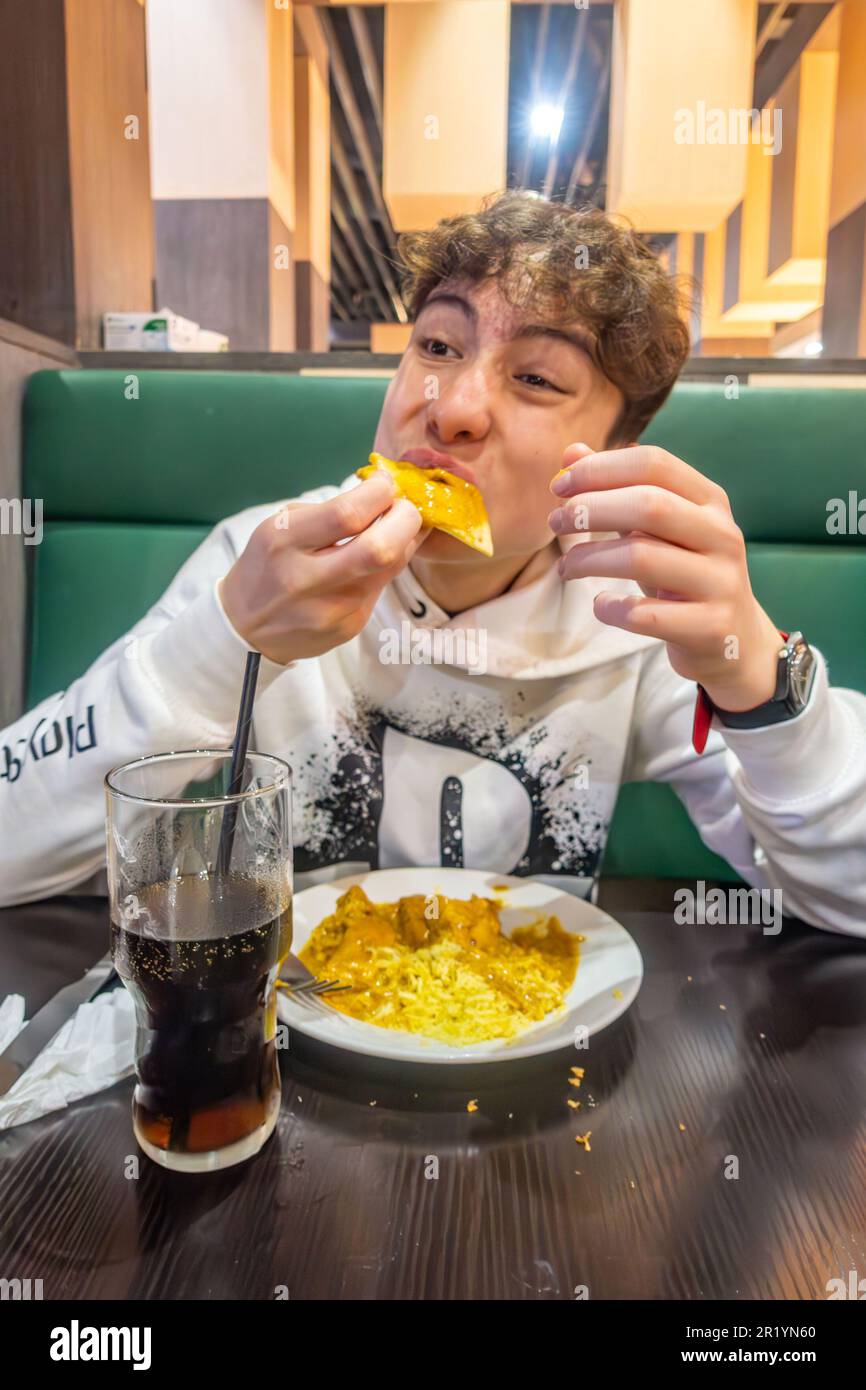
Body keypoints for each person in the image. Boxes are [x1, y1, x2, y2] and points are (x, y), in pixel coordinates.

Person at [1, 191, 864, 935]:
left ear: (612, 448)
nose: (451, 409)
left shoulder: (634, 611)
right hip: (282, 1052)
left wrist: (766, 689)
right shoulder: (262, 561)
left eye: (535, 378)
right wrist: (223, 643)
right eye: (440, 347)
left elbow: (843, 903)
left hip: (544, 1052)